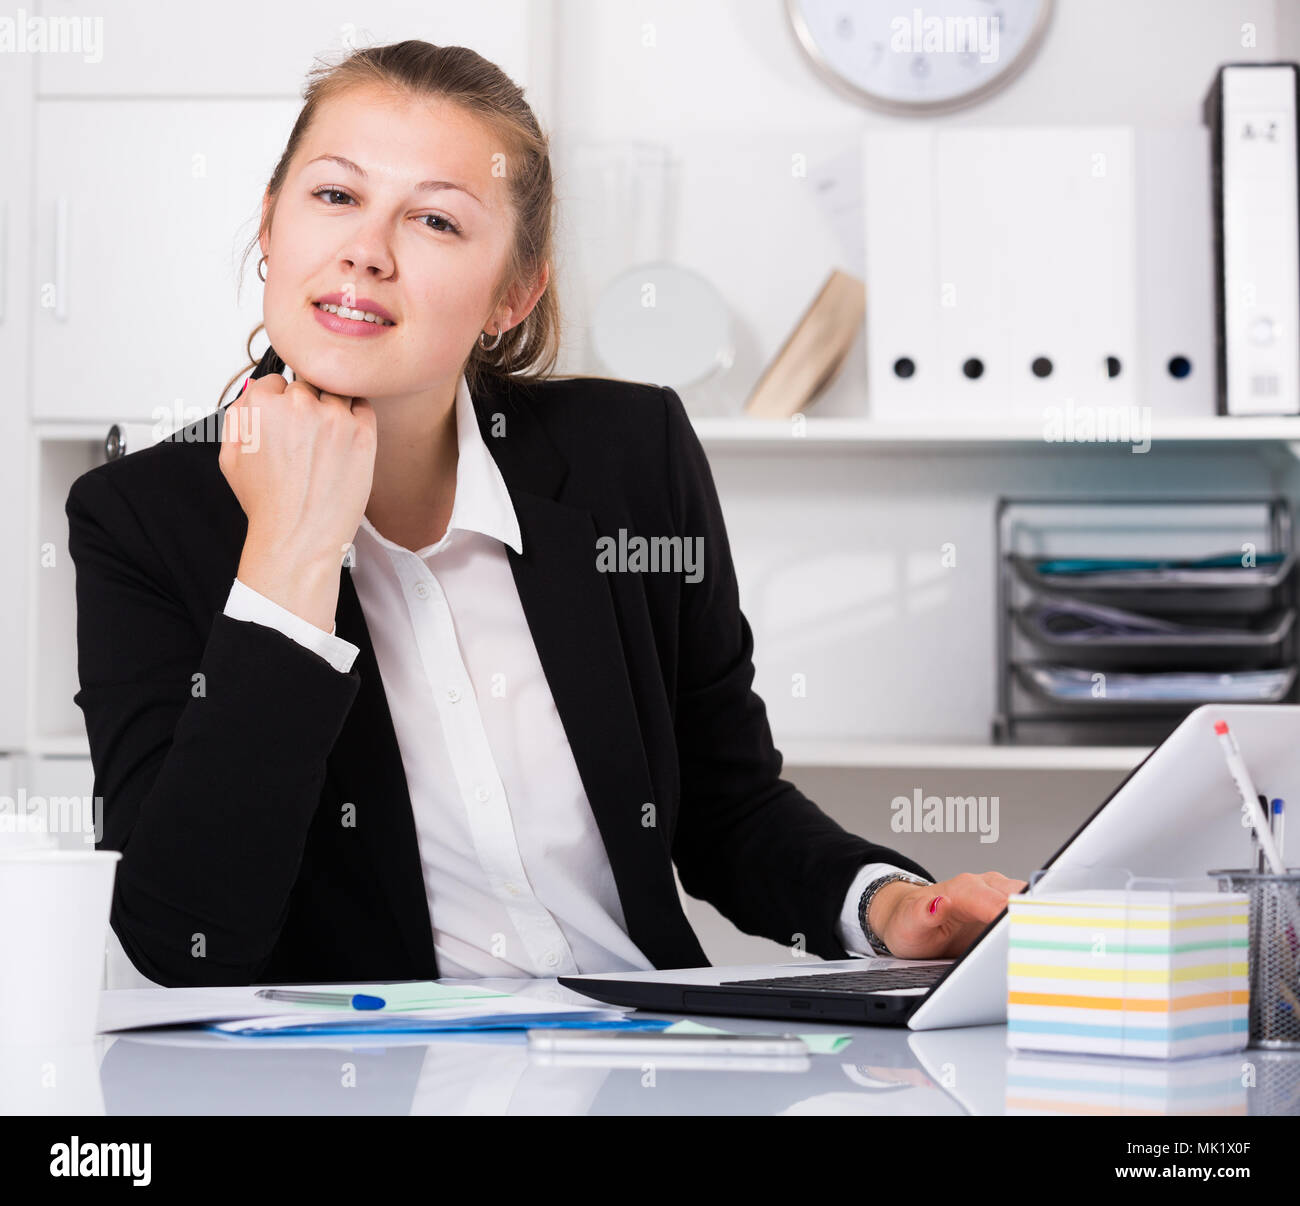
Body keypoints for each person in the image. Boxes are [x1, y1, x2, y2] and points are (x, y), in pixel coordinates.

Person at [67, 40, 1026, 989]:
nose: (366, 249)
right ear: (271, 225)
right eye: (334, 195)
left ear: (513, 295)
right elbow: (182, 942)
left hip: (644, 1058)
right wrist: (291, 556)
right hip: (361, 1082)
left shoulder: (629, 457)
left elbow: (727, 805)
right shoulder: (143, 519)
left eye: (435, 221)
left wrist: (888, 907)